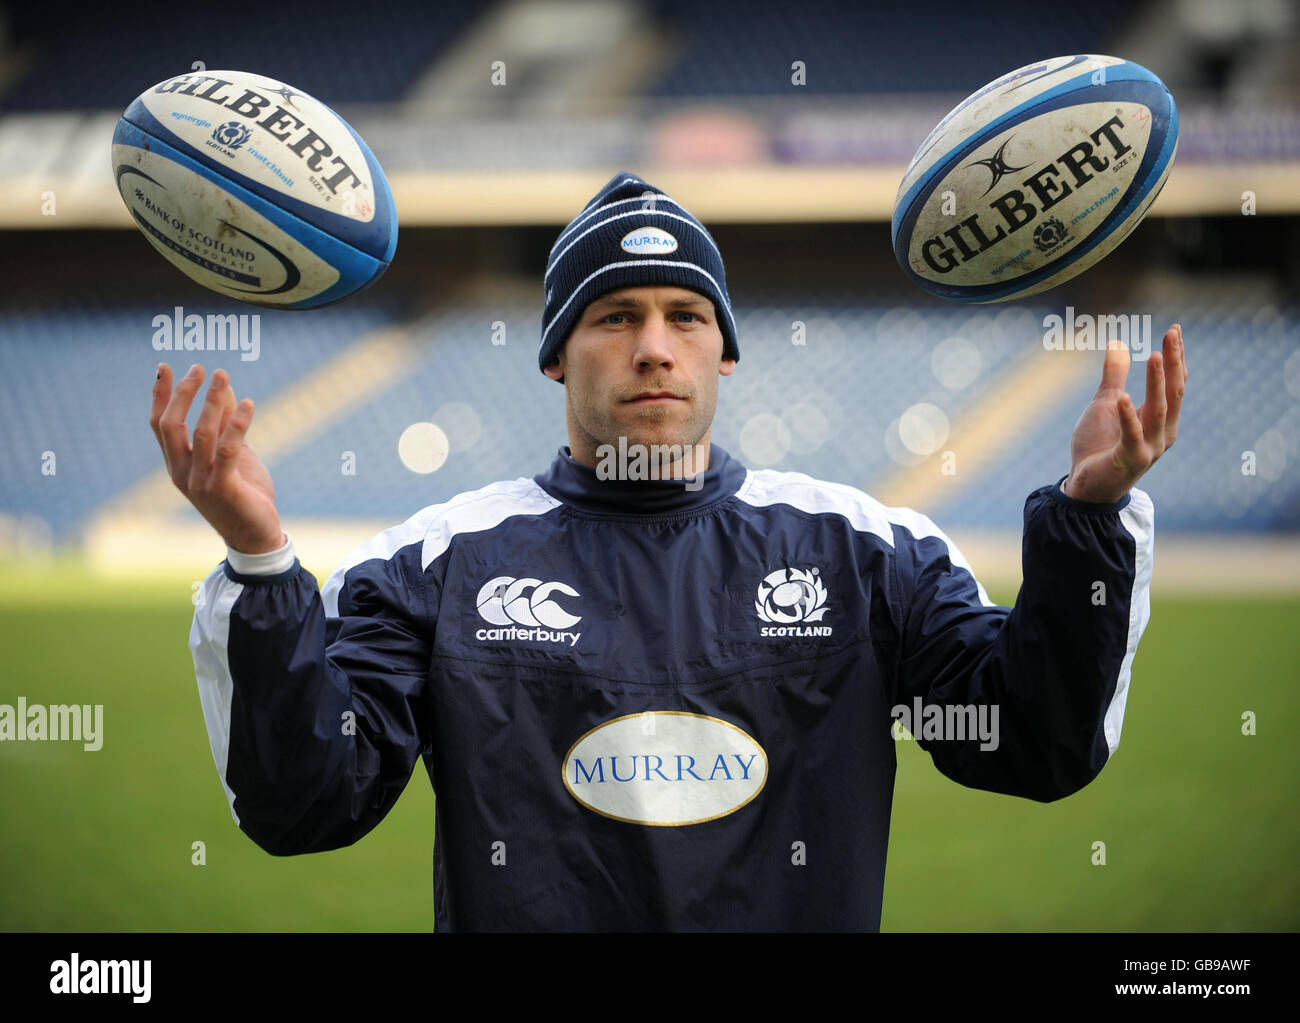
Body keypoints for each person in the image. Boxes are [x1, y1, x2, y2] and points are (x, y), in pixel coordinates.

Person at [150, 171, 1187, 931]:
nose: (654, 345)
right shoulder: (436, 564)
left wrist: (1086, 522)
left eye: (685, 315)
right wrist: (261, 565)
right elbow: (305, 805)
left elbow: (1036, 745)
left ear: (722, 352)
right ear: (556, 355)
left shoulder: (864, 552)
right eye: (615, 316)